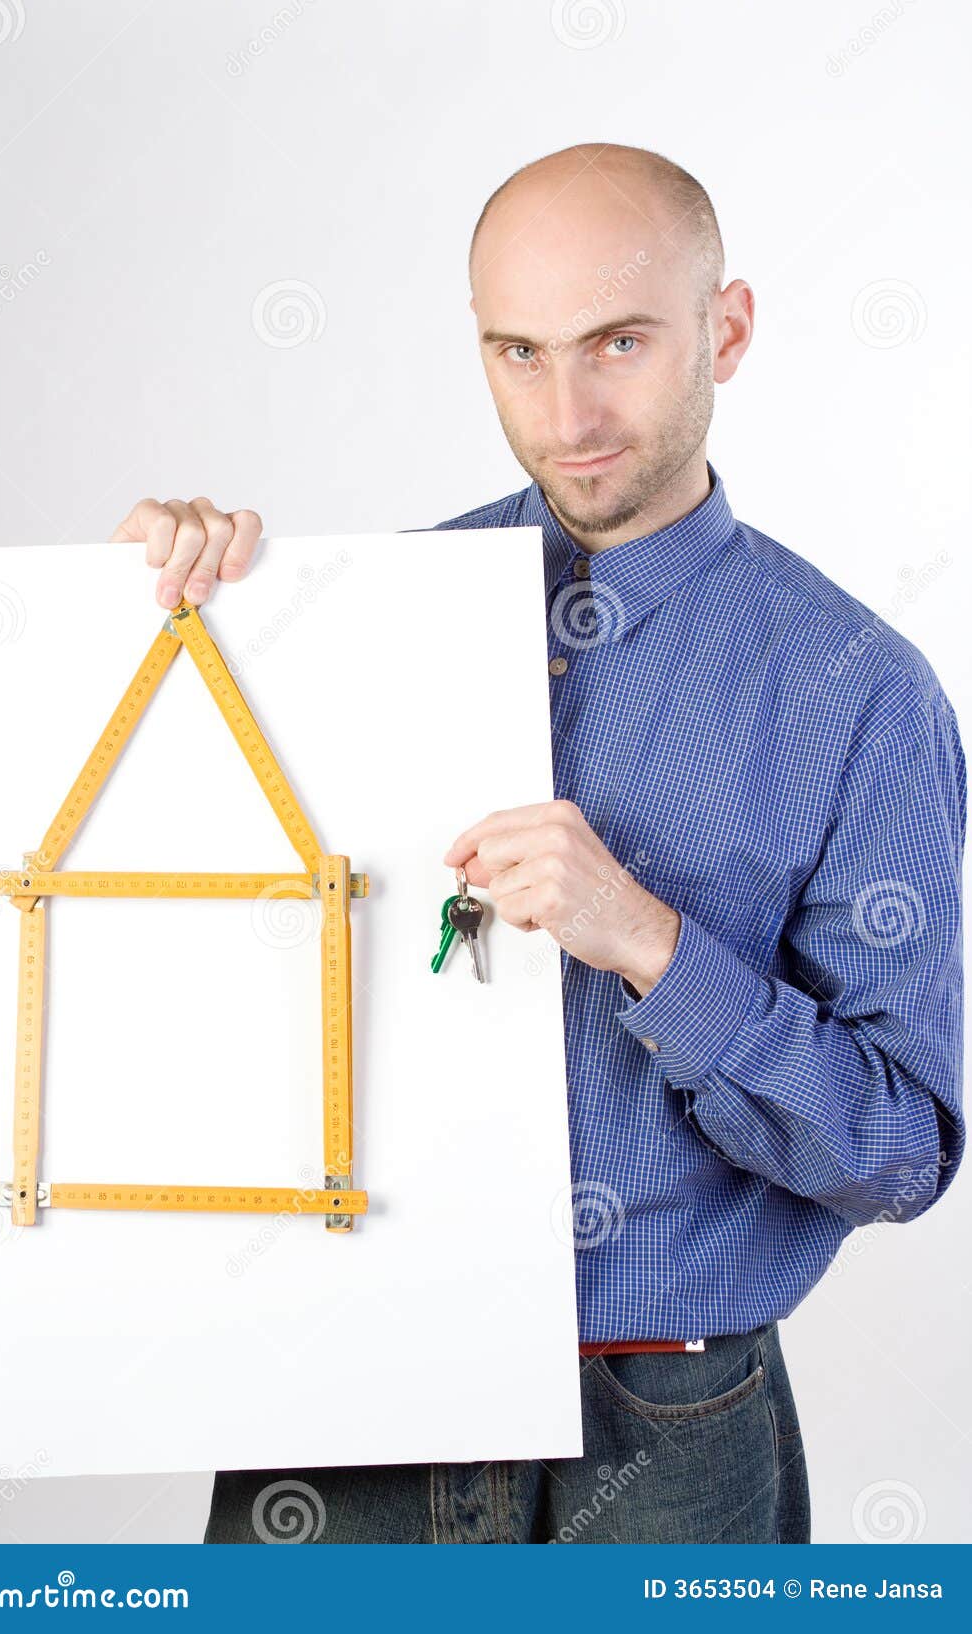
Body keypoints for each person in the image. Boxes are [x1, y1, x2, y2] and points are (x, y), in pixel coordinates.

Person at [111, 143, 965, 1544]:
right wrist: (151, 612)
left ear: (726, 331)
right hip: (352, 1396)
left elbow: (894, 1151)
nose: (566, 413)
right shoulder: (351, 625)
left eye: (618, 343)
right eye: (519, 352)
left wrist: (651, 945)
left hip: (669, 1429)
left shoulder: (863, 691)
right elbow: (167, 933)